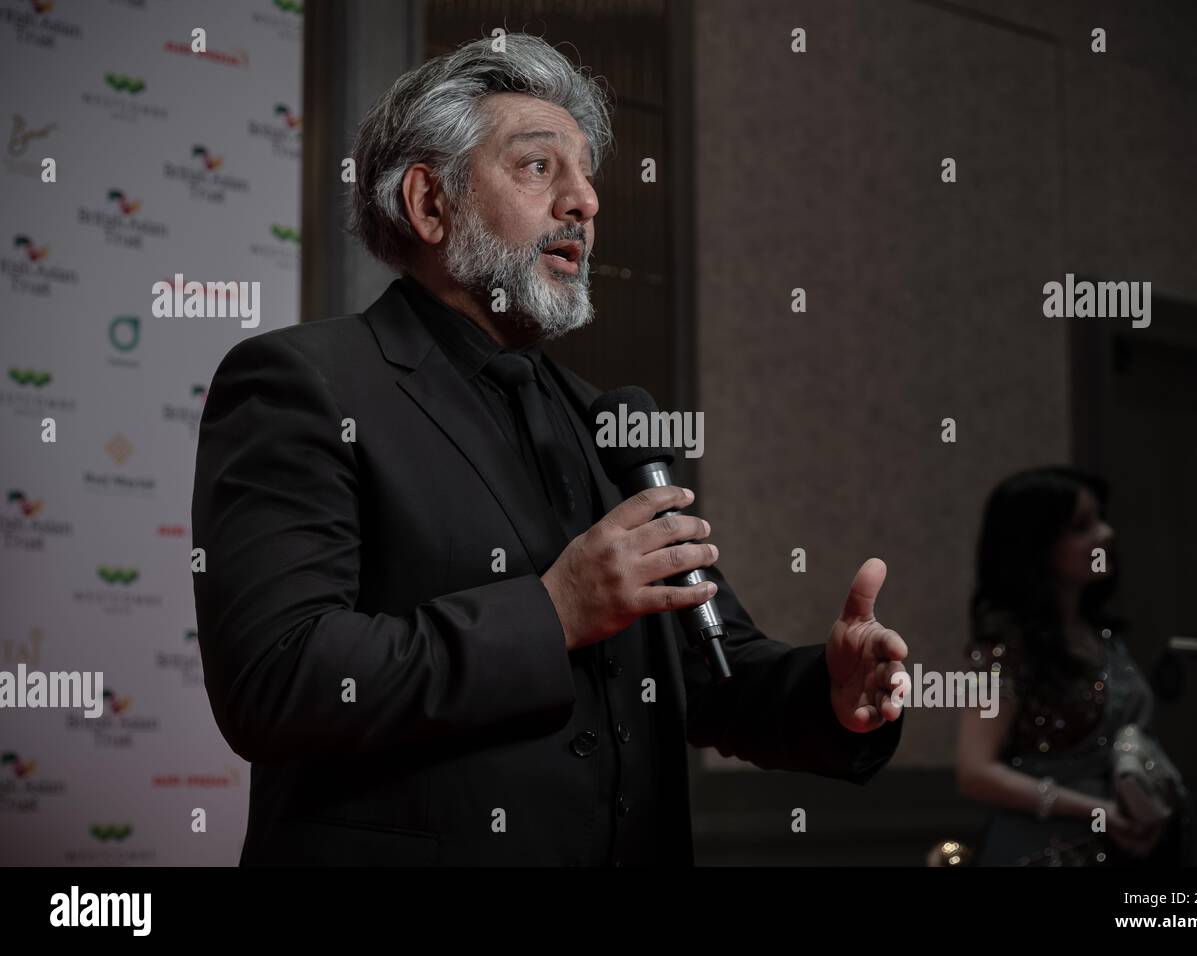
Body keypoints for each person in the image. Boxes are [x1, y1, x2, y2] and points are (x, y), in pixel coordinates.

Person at [190, 33, 907, 867]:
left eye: (587, 175)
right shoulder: (301, 383)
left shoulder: (603, 421)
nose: (586, 203)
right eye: (538, 168)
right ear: (430, 203)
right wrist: (553, 613)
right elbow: (276, 681)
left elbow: (707, 668)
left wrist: (831, 692)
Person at [955, 466, 1187, 865]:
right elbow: (975, 772)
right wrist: (1096, 812)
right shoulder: (1007, 649)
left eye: (1101, 519)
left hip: (1122, 844)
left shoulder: (1102, 636)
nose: (1106, 535)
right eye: (1083, 526)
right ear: (1037, 546)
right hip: (1045, 853)